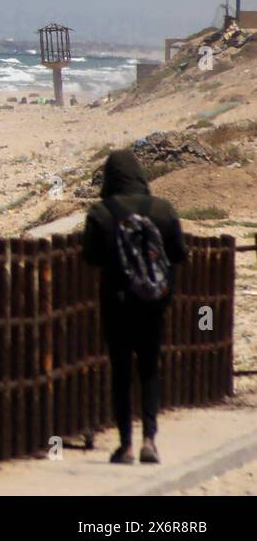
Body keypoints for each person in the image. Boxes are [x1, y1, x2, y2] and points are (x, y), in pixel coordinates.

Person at [81, 150, 186, 465]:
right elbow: (179, 254)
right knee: (149, 370)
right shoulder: (163, 210)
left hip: (116, 303)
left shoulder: (101, 213)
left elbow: (90, 257)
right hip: (153, 303)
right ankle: (149, 440)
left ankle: (125, 445)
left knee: (121, 372)